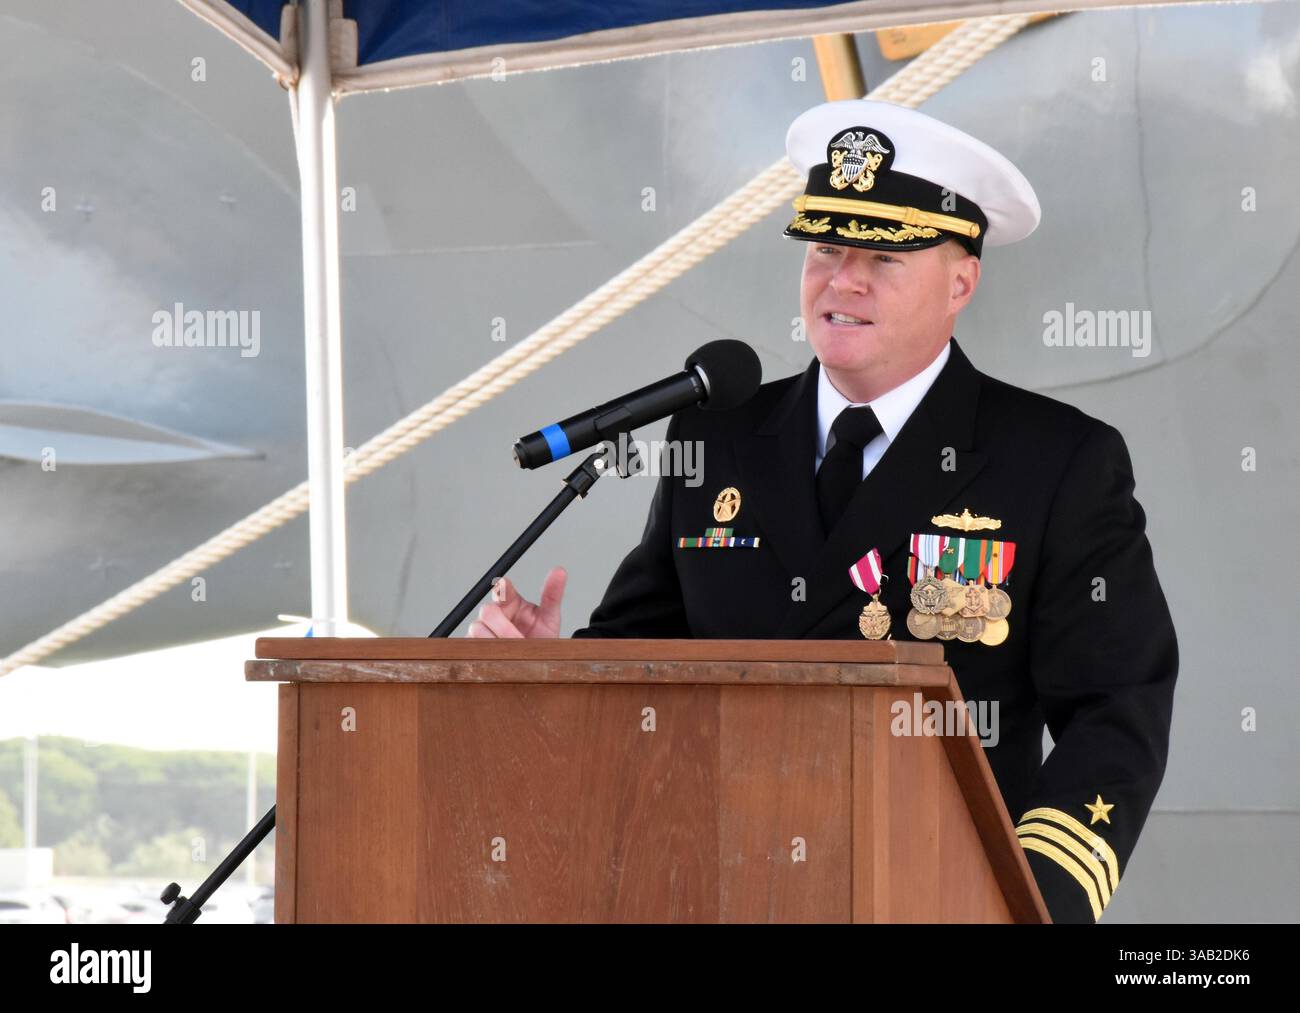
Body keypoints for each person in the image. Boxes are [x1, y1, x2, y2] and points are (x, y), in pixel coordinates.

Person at [468, 99, 1178, 925]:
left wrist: (1024, 900)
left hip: (930, 898)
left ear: (961, 281)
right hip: (715, 890)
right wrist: (552, 671)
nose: (844, 279)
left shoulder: (1056, 461)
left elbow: (1115, 710)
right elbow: (647, 662)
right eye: (826, 248)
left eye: (883, 255)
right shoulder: (718, 435)